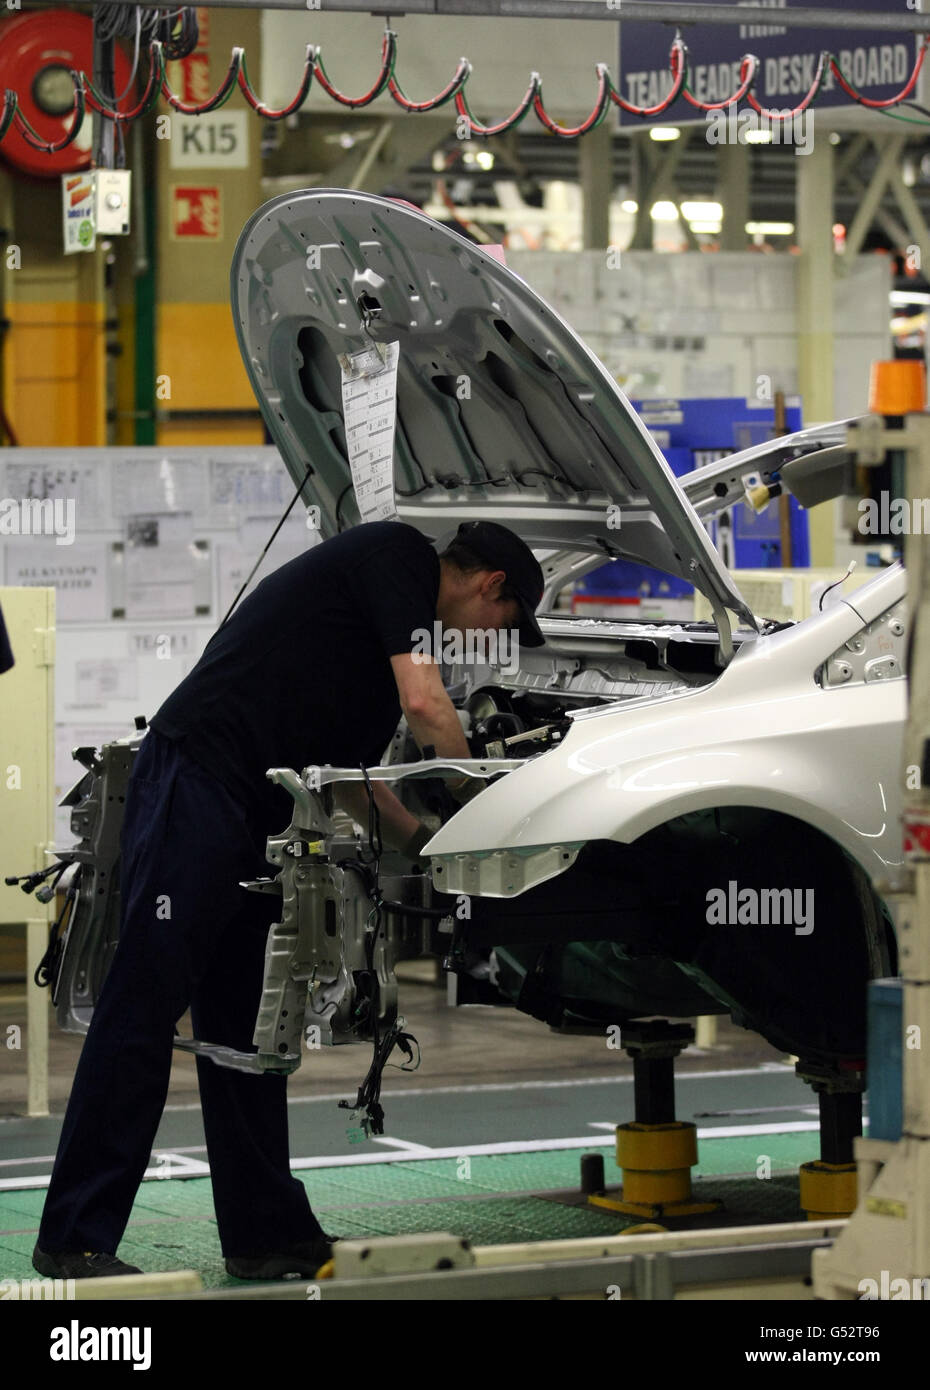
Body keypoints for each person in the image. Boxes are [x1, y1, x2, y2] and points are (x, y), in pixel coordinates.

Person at [33, 518, 545, 1281]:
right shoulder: (399, 556)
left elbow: (366, 788)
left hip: (256, 811)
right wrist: (481, 807)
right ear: (491, 585)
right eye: (506, 622)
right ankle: (73, 1235)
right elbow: (428, 707)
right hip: (198, 779)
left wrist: (440, 858)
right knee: (143, 1003)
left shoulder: (380, 636)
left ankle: (263, 1232)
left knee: (248, 1024)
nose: (492, 637)